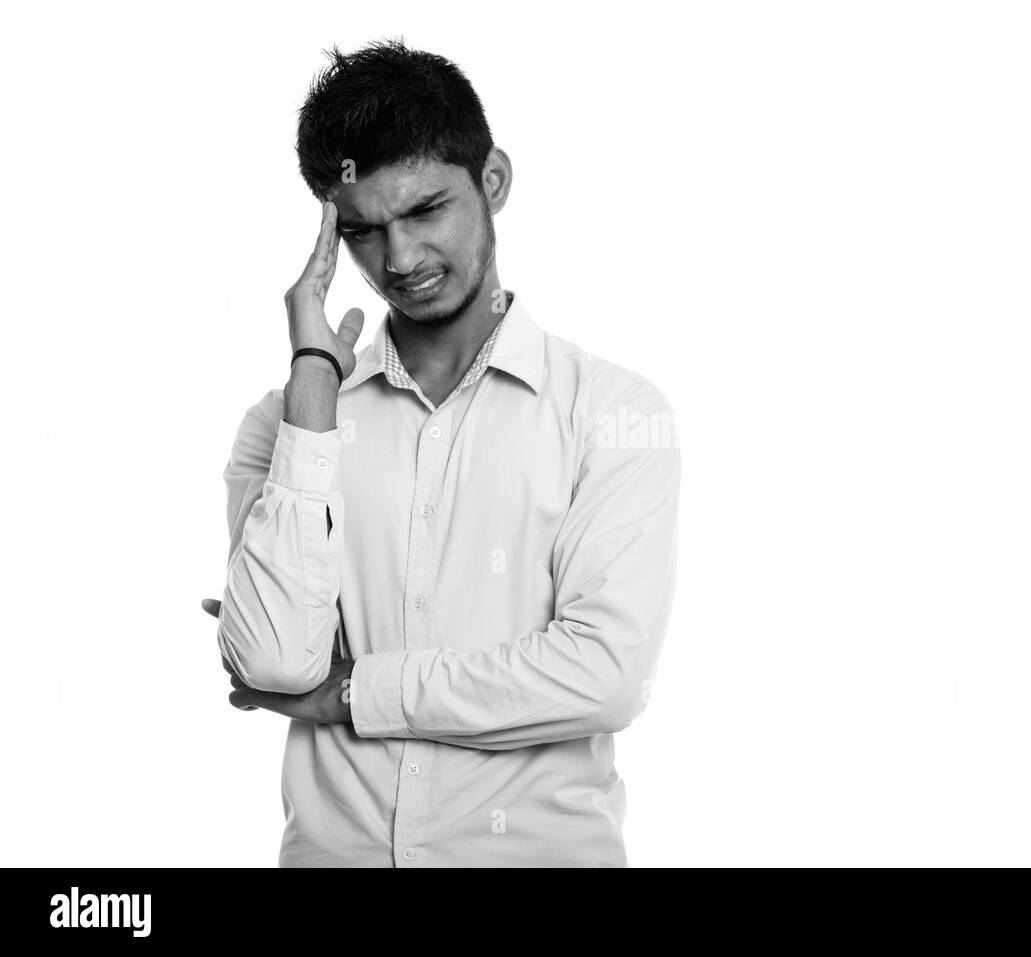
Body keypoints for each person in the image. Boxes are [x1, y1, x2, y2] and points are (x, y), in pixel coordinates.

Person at [201, 39, 680, 867]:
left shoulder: (612, 413)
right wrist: (313, 382)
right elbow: (277, 661)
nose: (400, 260)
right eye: (362, 231)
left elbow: (604, 675)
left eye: (426, 211)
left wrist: (355, 691)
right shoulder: (287, 426)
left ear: (493, 179)